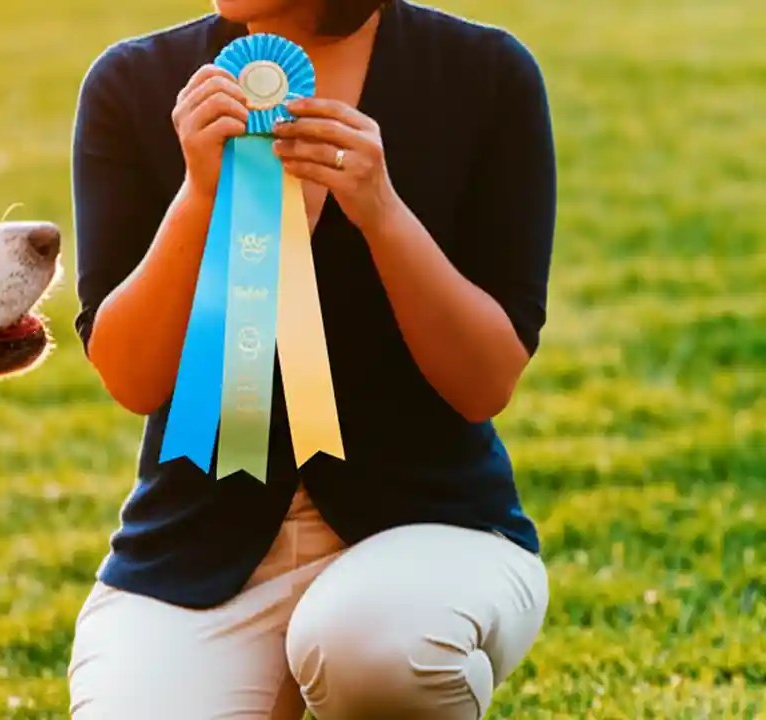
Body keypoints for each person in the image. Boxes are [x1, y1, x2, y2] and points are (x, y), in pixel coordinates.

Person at [67, 0, 556, 717]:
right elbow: (131, 375)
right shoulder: (131, 83)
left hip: (434, 528)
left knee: (370, 646)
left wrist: (382, 211)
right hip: (195, 551)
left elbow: (484, 383)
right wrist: (200, 195)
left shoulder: (486, 74)